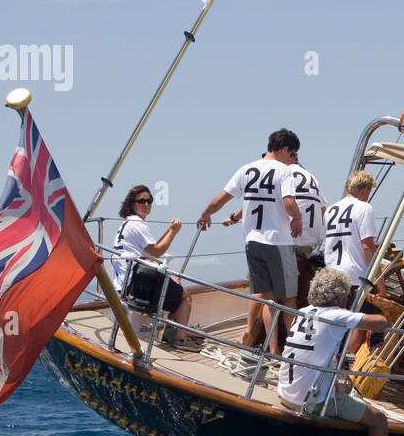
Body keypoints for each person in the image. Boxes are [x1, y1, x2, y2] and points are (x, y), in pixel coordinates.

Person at [276, 268, 404, 436]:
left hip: (286, 391)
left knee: (340, 385)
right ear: (340, 298)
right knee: (379, 420)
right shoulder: (338, 315)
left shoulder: (302, 313)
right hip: (310, 401)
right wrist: (380, 305)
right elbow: (381, 323)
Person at [197, 129, 303, 355]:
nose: (292, 157)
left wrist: (206, 214)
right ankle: (293, 353)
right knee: (289, 299)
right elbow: (288, 202)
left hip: (252, 241)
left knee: (269, 299)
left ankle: (273, 351)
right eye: (292, 152)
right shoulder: (284, 172)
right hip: (277, 241)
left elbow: (222, 198)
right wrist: (298, 218)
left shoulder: (246, 169)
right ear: (284, 149)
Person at [109, 185, 196, 346]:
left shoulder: (128, 224)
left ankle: (170, 331)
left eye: (149, 201)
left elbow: (151, 248)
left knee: (175, 284)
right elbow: (156, 251)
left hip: (125, 283)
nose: (146, 204)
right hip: (139, 285)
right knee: (185, 297)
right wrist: (174, 232)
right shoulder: (138, 225)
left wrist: (168, 230)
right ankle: (180, 339)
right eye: (142, 201)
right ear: (131, 204)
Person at [324, 170, 382, 351]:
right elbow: (367, 246)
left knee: (334, 322)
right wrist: (380, 283)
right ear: (364, 190)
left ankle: (331, 359)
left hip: (331, 274)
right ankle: (347, 361)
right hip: (355, 276)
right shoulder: (364, 208)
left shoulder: (331, 210)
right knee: (360, 320)